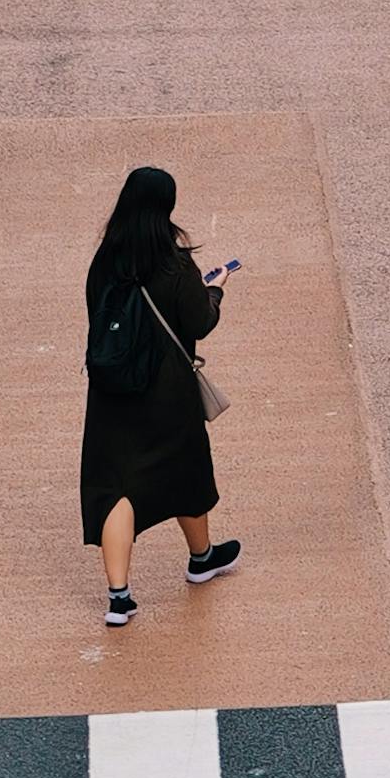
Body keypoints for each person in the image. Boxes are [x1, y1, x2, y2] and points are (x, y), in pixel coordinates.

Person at [80, 164, 244, 626]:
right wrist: (214, 290)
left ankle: (119, 598)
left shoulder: (105, 260)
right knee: (184, 470)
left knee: (116, 488)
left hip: (111, 392)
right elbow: (198, 324)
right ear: (166, 208)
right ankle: (202, 558)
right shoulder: (174, 264)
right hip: (166, 392)